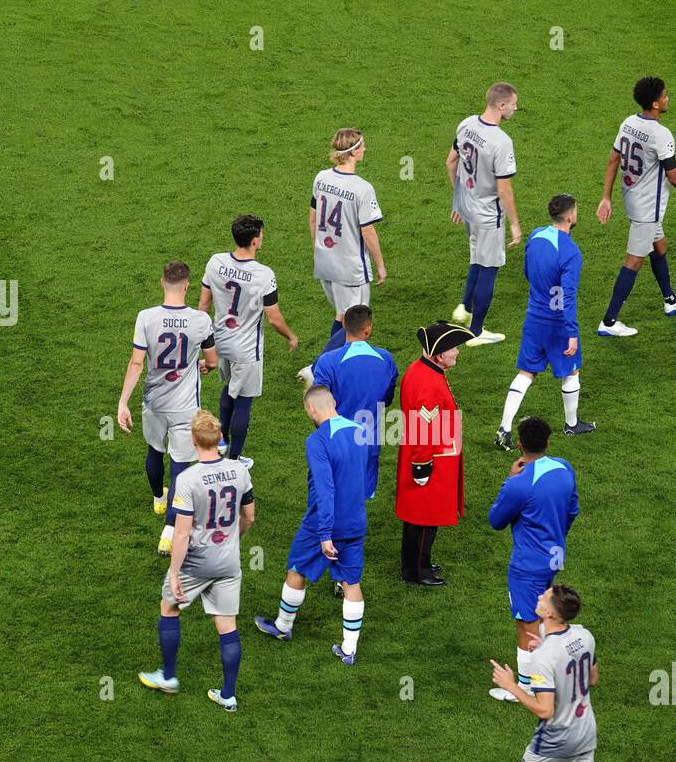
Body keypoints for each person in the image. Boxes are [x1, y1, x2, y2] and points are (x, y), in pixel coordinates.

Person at [461, 585, 603, 762]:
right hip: (585, 730)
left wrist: (512, 686)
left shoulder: (543, 657)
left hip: (555, 738)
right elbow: (593, 679)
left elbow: (545, 710)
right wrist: (552, 656)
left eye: (544, 597)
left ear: (549, 612)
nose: (538, 596)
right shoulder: (584, 635)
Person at [138, 411, 253, 712]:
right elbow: (249, 516)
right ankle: (228, 695)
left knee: (169, 606)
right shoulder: (240, 471)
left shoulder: (188, 479)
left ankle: (169, 676)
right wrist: (233, 538)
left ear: (193, 440)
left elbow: (182, 534)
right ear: (218, 439)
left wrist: (174, 573)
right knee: (227, 625)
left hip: (197, 560)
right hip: (228, 559)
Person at [255, 387, 370, 665]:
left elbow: (325, 488)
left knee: (297, 567)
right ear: (334, 403)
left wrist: (325, 532)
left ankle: (283, 626)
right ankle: (349, 649)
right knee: (351, 581)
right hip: (355, 520)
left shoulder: (317, 441)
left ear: (311, 409)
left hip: (322, 521)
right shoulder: (359, 430)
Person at [116, 260, 217, 554]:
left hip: (154, 402)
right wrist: (205, 365)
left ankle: (158, 500)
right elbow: (212, 360)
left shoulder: (146, 318)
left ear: (163, 282)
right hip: (185, 407)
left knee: (154, 451)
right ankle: (170, 531)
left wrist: (123, 402)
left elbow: (136, 362)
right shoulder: (201, 320)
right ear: (187, 286)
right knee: (182, 468)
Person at [596, 75, 676, 338]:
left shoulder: (628, 122)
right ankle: (609, 321)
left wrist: (606, 197)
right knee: (634, 262)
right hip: (647, 207)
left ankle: (670, 300)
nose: (668, 97)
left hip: (631, 197)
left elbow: (613, 160)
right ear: (655, 104)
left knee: (659, 247)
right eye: (665, 95)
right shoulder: (661, 134)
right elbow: (674, 175)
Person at [487, 417, 578, 703]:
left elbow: (496, 520)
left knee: (526, 622)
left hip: (528, 564)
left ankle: (526, 687)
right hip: (555, 555)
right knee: (543, 614)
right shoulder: (564, 467)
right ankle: (548, 672)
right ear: (549, 442)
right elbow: (572, 509)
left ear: (520, 444)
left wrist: (510, 479)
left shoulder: (521, 483)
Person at [198, 214, 298, 467]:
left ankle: (221, 441)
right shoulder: (263, 275)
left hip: (219, 341)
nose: (262, 238)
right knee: (243, 399)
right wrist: (291, 336)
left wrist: (203, 343)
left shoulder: (215, 262)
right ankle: (233, 459)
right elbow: (274, 318)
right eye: (261, 235)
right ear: (254, 241)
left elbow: (204, 304)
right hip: (245, 348)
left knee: (229, 388)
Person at [497, 194, 596, 449]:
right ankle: (572, 424)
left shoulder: (536, 236)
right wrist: (572, 332)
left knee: (526, 372)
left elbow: (527, 272)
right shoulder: (571, 252)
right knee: (572, 370)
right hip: (558, 324)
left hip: (534, 317)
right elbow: (568, 296)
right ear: (571, 216)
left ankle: (504, 428)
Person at [301, 127, 386, 383]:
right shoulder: (362, 188)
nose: (365, 149)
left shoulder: (321, 177)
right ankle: (316, 369)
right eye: (362, 146)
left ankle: (332, 364)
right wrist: (380, 265)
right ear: (353, 152)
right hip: (349, 266)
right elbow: (368, 232)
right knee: (353, 320)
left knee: (341, 314)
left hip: (325, 259)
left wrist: (318, 248)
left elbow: (313, 217)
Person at [396, 322, 473, 585]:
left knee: (423, 520)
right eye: (453, 349)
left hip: (430, 455)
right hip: (429, 460)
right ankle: (416, 572)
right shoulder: (428, 383)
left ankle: (421, 563)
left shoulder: (423, 371)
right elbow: (422, 428)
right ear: (439, 355)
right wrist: (422, 466)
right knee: (422, 520)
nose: (457, 353)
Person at [447, 82, 522, 346]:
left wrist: (457, 200)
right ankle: (476, 332)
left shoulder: (466, 124)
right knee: (489, 266)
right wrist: (514, 224)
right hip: (488, 213)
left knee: (477, 256)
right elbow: (504, 189)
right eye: (513, 104)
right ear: (501, 106)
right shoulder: (501, 142)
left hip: (466, 206)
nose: (516, 107)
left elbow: (451, 162)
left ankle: (465, 308)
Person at [312, 305, 399, 500]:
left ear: (343, 324)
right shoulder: (386, 359)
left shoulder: (327, 361)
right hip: (370, 440)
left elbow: (319, 402)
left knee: (334, 495)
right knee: (360, 498)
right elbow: (388, 397)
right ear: (368, 329)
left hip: (337, 440)